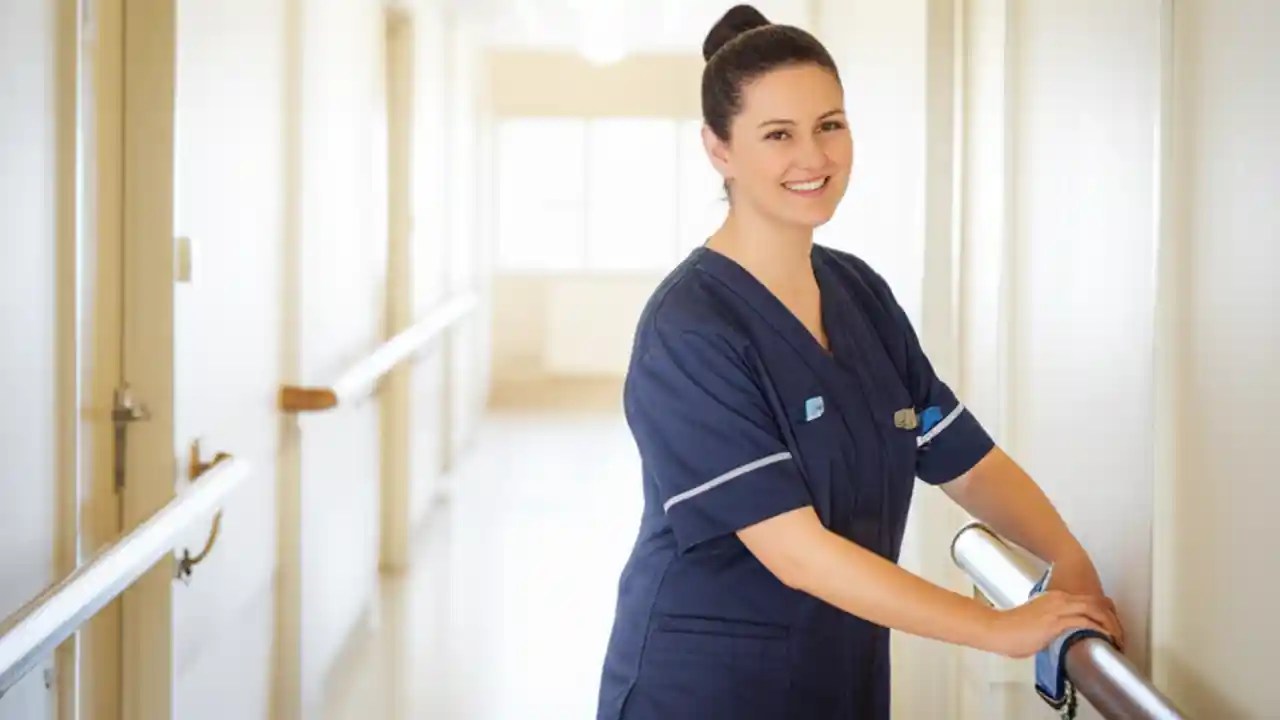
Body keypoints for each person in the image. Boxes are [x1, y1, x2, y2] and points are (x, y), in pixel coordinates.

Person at [595, 5, 1125, 719]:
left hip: (837, 677)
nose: (813, 157)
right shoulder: (689, 329)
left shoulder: (859, 294)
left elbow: (966, 462)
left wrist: (1071, 564)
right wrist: (1001, 629)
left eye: (830, 125)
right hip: (706, 690)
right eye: (777, 134)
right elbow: (797, 552)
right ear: (719, 150)